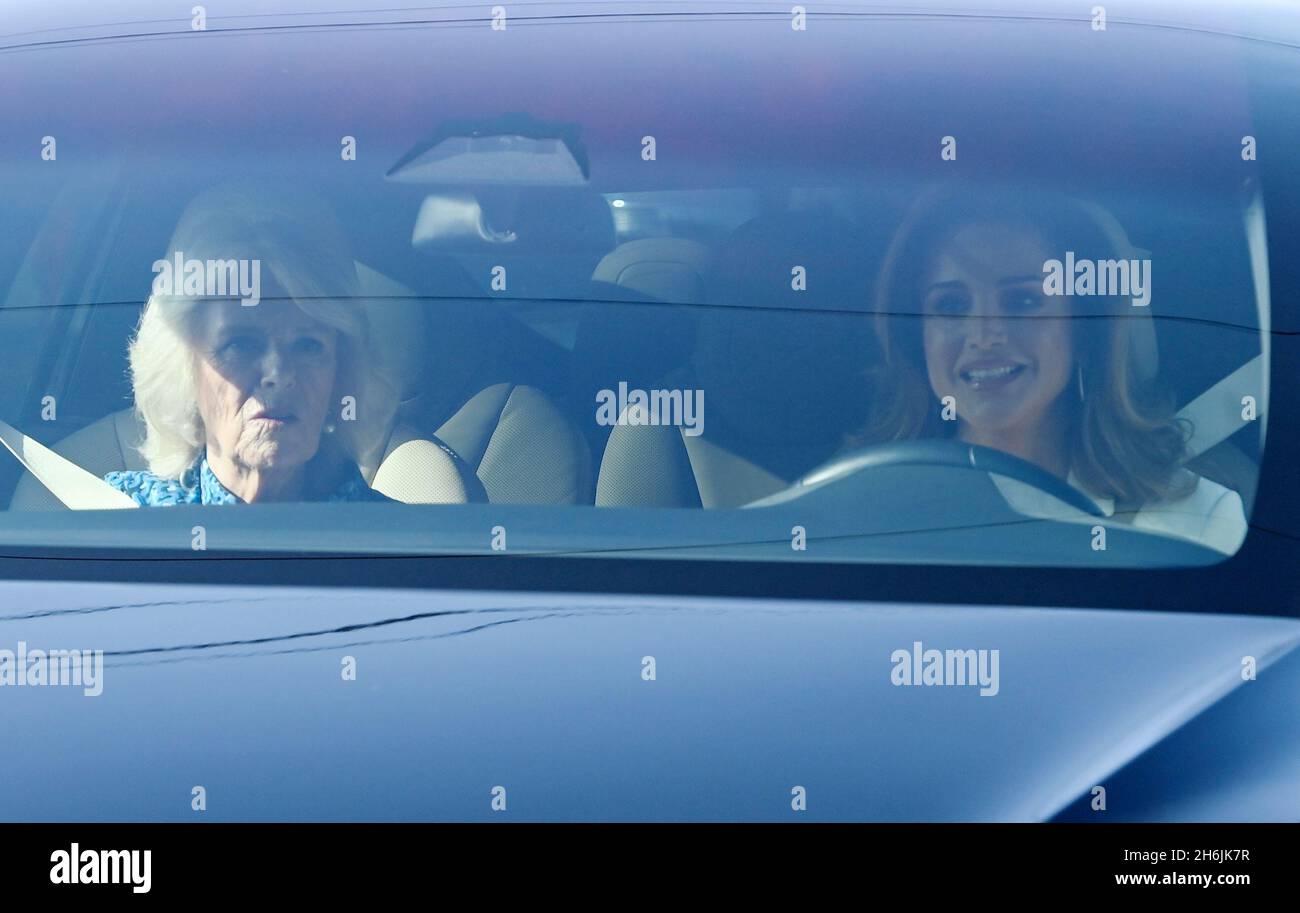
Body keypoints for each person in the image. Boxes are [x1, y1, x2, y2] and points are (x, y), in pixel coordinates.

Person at [854, 185, 1247, 554]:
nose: (984, 335)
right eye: (952, 306)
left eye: (1023, 301)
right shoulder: (858, 513)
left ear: (1085, 332)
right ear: (917, 337)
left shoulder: (1198, 523)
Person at [106, 184, 399, 506]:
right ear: (183, 370)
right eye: (240, 345)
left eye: (307, 345)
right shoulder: (115, 519)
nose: (279, 373)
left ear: (341, 374)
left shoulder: (397, 544)